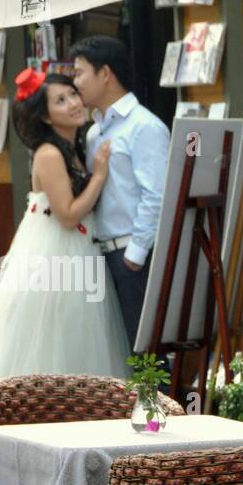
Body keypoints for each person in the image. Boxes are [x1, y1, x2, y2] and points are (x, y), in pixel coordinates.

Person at [0, 68, 128, 485]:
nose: (74, 103)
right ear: (43, 115)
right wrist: (98, 173)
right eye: (60, 100)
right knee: (46, 343)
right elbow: (68, 214)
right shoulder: (49, 153)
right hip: (53, 259)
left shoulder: (69, 146)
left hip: (69, 254)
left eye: (73, 95)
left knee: (75, 343)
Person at [69, 36, 170, 348]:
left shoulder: (144, 127)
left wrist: (136, 255)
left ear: (105, 74)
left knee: (145, 356)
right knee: (117, 352)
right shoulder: (96, 131)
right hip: (103, 256)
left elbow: (157, 194)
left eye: (79, 73)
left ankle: (158, 401)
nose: (75, 83)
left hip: (131, 259)